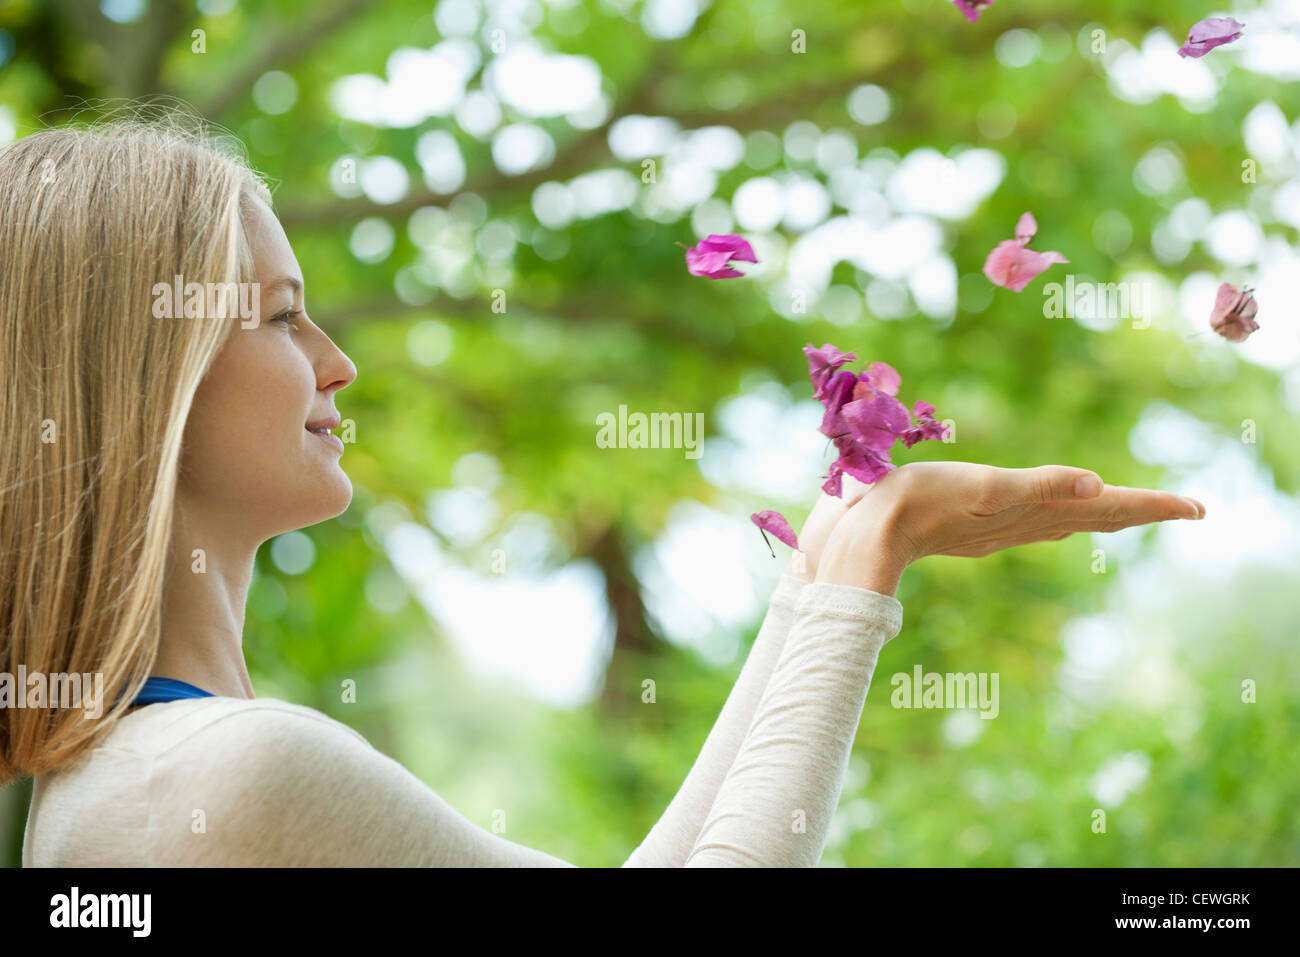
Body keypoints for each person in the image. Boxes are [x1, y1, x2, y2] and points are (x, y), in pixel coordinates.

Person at [1, 114, 1205, 867]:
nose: (336, 360)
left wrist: (834, 553)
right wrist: (863, 560)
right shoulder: (230, 775)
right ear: (145, 382)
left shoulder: (135, 779)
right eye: (278, 314)